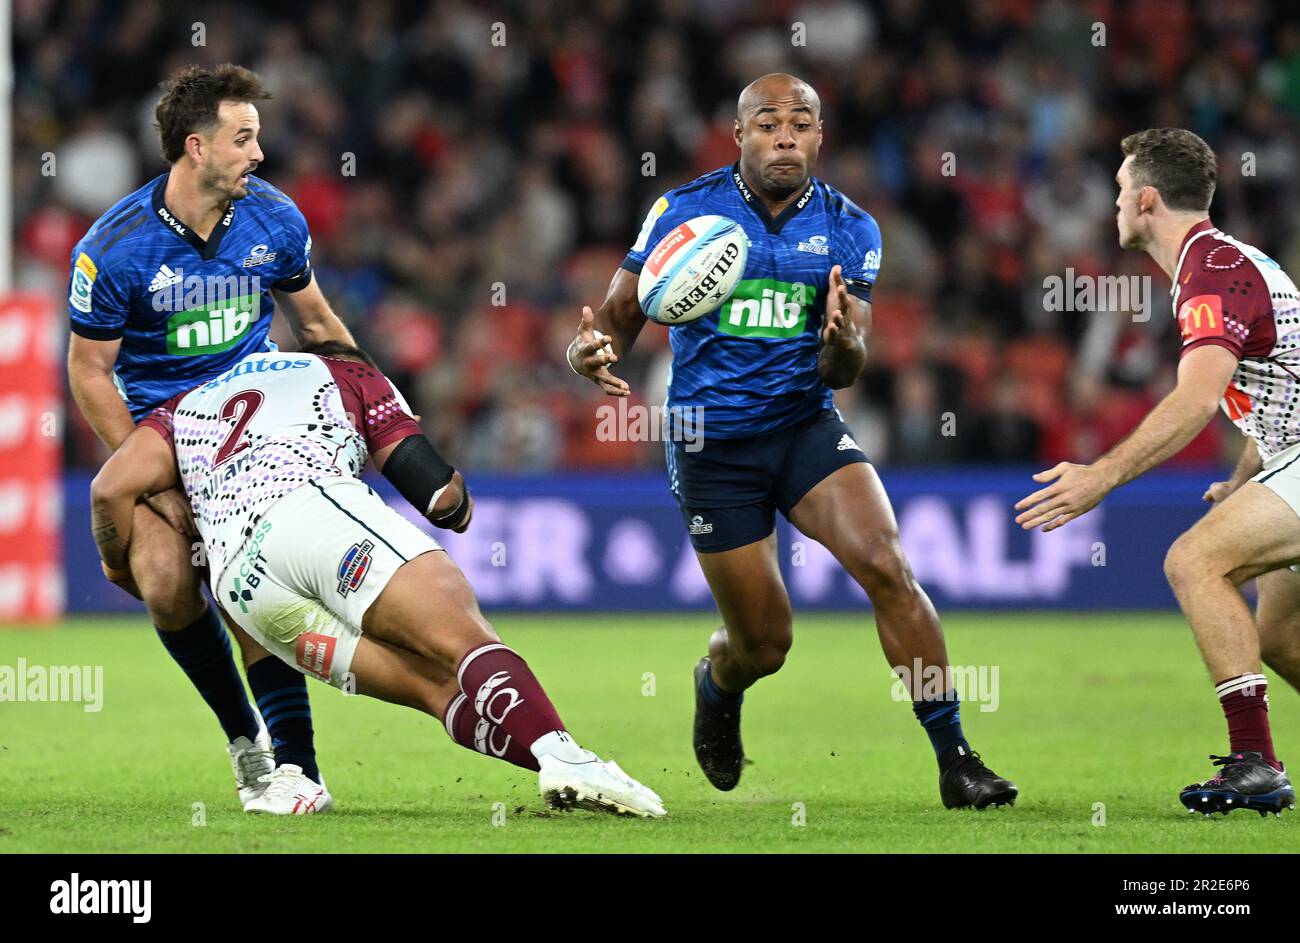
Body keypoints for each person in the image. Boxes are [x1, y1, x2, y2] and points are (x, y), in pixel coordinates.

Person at [567, 73, 1016, 809]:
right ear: (739, 134)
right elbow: (615, 318)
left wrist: (842, 344)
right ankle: (717, 684)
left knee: (887, 564)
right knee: (765, 645)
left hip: (805, 425)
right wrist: (585, 354)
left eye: (800, 123)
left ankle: (957, 757)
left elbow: (847, 363)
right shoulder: (683, 211)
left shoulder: (851, 229)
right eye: (768, 122)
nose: (784, 136)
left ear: (818, 136)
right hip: (712, 443)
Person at [89, 342, 666, 818]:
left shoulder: (179, 409)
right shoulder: (342, 370)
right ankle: (565, 755)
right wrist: (456, 499)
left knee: (434, 691)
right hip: (311, 515)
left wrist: (118, 566)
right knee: (464, 641)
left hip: (245, 591)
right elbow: (438, 498)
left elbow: (109, 489)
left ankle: (556, 766)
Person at [67, 63, 353, 812]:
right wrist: (146, 470)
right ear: (196, 147)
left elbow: (318, 325)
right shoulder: (114, 246)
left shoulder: (275, 220)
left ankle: (301, 766)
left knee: (243, 583)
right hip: (164, 432)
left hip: (255, 427)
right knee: (165, 582)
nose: (259, 154)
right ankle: (244, 740)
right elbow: (91, 370)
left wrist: (372, 417)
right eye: (244, 138)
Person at [1015, 127, 1297, 816]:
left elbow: (1197, 400)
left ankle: (1255, 763)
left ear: (1145, 201)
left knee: (1193, 560)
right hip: (1288, 457)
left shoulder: (1212, 274)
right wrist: (1242, 480)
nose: (1111, 206)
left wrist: (1100, 477)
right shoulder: (1222, 263)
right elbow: (1280, 393)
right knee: (1280, 637)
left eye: (1117, 192)